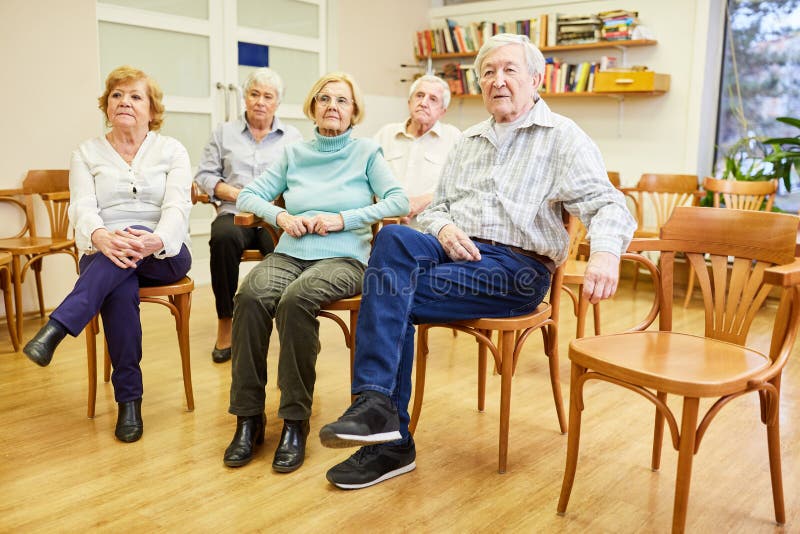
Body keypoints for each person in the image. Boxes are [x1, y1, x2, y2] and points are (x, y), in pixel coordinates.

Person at [318, 34, 638, 489]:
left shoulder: (562, 137)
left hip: (516, 269)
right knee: (392, 238)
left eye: (509, 70)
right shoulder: (467, 141)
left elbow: (608, 204)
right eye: (488, 72)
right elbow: (434, 208)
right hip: (454, 251)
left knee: (388, 293)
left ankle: (388, 440)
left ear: (535, 78)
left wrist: (606, 252)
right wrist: (444, 229)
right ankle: (376, 408)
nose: (498, 80)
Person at [223, 72, 409, 473]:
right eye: (324, 99)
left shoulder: (366, 152)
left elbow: (399, 201)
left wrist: (344, 219)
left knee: (296, 300)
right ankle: (248, 418)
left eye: (342, 101)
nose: (332, 107)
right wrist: (282, 216)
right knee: (251, 295)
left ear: (354, 111)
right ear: (312, 107)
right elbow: (250, 194)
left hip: (344, 258)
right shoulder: (294, 153)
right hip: (290, 253)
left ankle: (294, 421)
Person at [22, 66, 192, 443]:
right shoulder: (86, 152)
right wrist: (100, 236)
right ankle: (129, 402)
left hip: (165, 254)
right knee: (118, 284)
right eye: (117, 95)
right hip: (103, 251)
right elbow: (82, 208)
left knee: (129, 249)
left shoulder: (172, 150)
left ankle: (57, 327)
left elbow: (178, 207)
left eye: (135, 96)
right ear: (107, 104)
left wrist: (153, 239)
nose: (124, 102)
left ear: (152, 109)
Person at [195, 68, 303, 364]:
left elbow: (303, 178)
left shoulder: (293, 137)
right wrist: (235, 195)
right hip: (234, 211)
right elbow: (204, 175)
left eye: (268, 96)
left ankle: (288, 328)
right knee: (222, 238)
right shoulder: (223, 133)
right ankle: (225, 322)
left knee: (286, 251)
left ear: (277, 103)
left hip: (276, 215)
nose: (260, 101)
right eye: (254, 94)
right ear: (245, 97)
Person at [373, 74, 460, 227]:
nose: (424, 103)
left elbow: (460, 189)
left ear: (442, 111)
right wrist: (392, 206)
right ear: (409, 102)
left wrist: (421, 201)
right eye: (419, 95)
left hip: (430, 232)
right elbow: (367, 180)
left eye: (433, 99)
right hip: (385, 226)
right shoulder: (385, 134)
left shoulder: (455, 138)